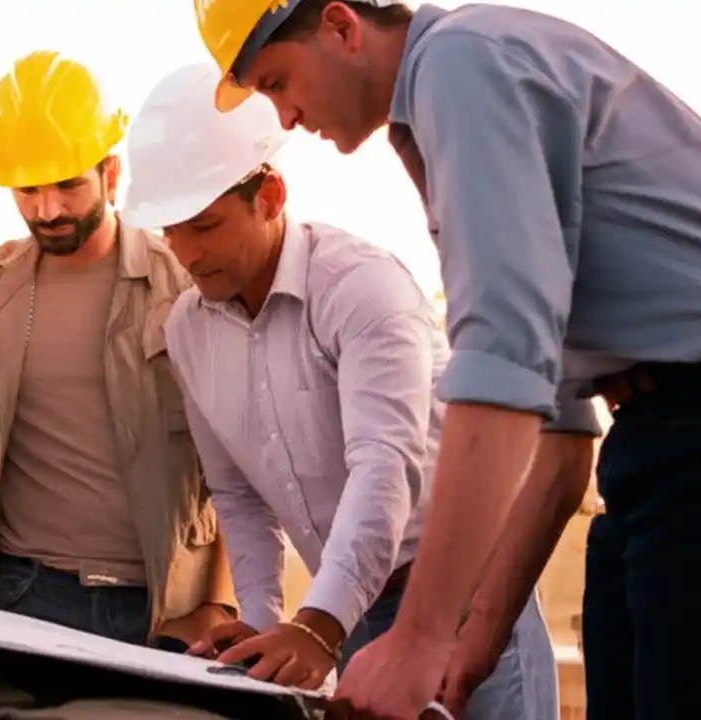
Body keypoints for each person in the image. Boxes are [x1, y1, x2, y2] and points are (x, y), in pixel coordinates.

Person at [192, 1, 701, 718]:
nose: (284, 118)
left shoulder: (462, 65)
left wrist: (419, 637)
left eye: (278, 82)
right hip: (664, 437)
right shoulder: (446, 102)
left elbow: (503, 373)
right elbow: (562, 439)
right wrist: (474, 641)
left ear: (340, 26)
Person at [123, 61, 556, 718]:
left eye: (204, 226)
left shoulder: (362, 289)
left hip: (467, 603)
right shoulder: (188, 328)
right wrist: (263, 619)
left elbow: (384, 467)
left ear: (270, 196)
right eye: (170, 231)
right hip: (353, 614)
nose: (186, 252)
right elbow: (237, 495)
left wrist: (319, 625)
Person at [0, 50, 237, 647]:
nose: (48, 209)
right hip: (17, 596)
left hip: (165, 609)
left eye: (68, 184)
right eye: (28, 189)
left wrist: (218, 604)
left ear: (111, 172)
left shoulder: (187, 288)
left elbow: (245, 463)